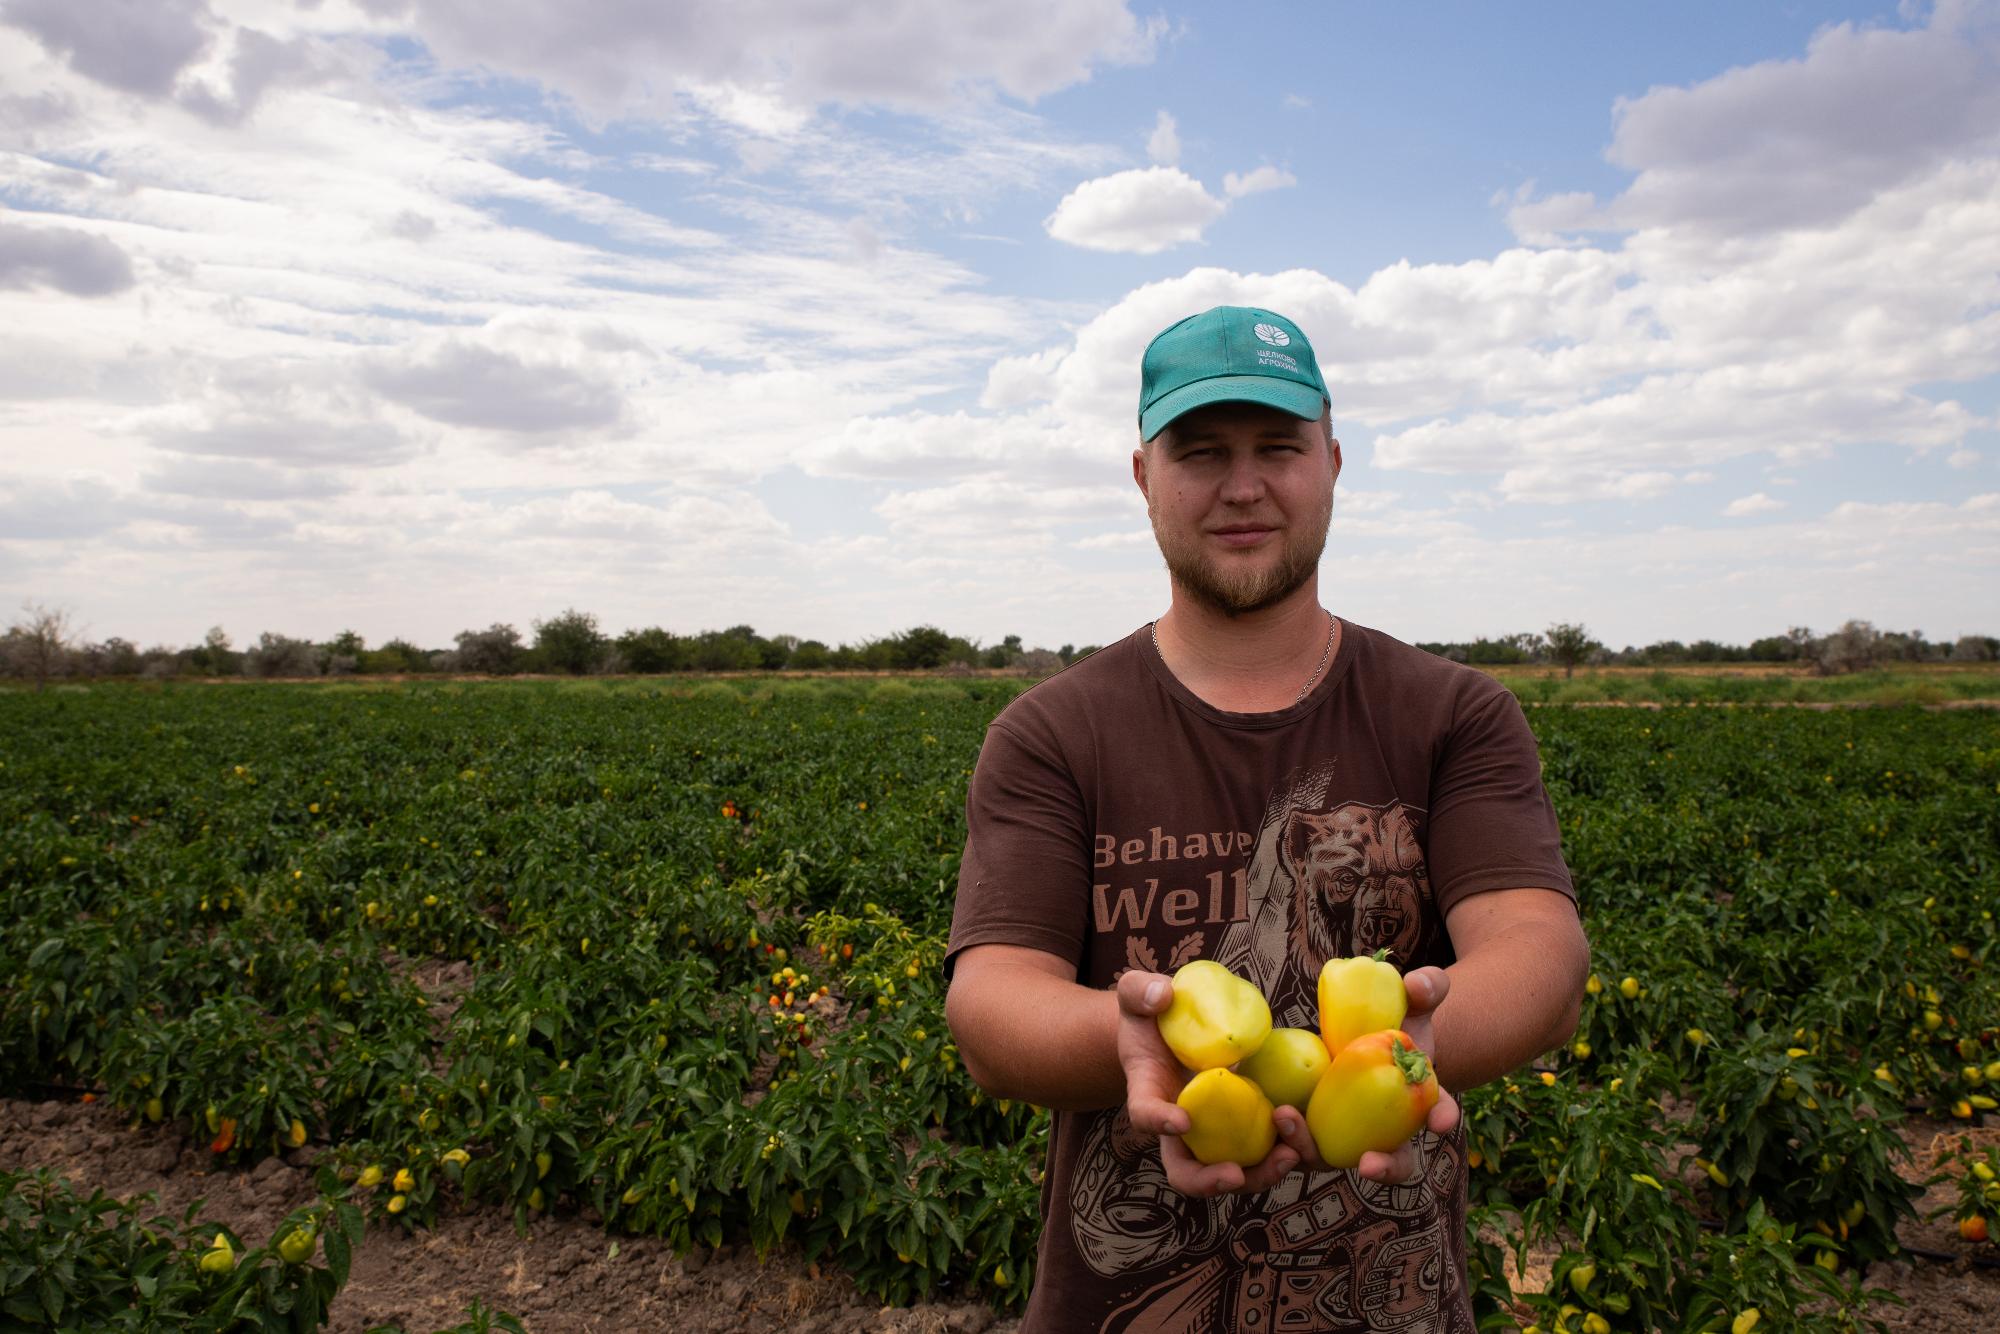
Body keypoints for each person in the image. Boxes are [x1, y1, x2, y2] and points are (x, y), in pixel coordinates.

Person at [943, 305, 1590, 1333]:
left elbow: (1537, 953)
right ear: (1142, 475)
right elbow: (989, 1004)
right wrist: (1128, 1041)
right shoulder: (1052, 732)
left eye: (1277, 448)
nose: (1242, 486)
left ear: (1330, 461)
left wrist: (1403, 1050)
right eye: (1199, 452)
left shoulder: (1451, 712)